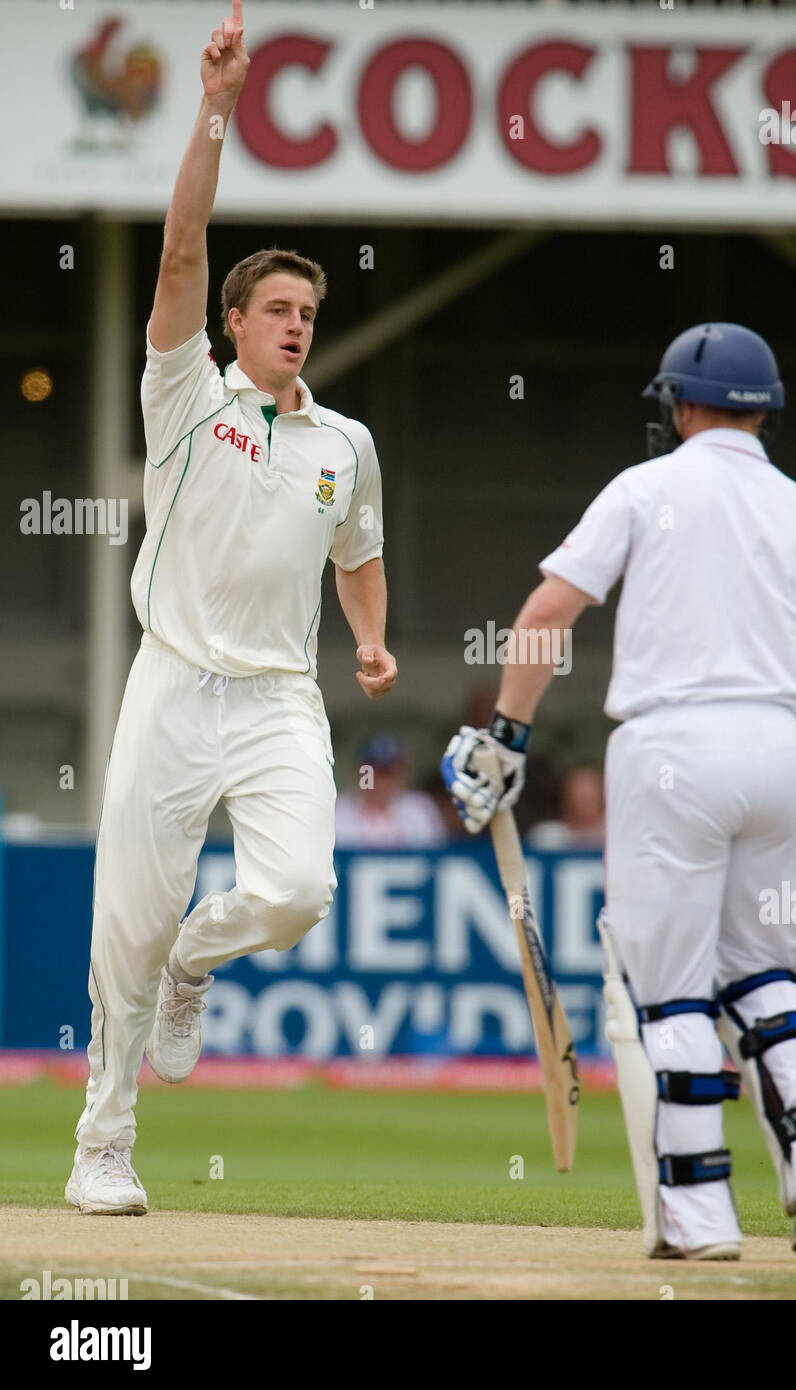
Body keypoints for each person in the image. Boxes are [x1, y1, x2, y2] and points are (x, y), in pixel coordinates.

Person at [442, 322, 796, 1260]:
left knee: (668, 994)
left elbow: (549, 611)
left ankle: (700, 1218)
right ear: (767, 411)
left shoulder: (646, 487)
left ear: (683, 404)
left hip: (669, 751)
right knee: (766, 974)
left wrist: (507, 735)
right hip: (780, 755)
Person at [67, 0, 397, 1216]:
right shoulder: (184, 396)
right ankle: (104, 1142)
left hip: (274, 697)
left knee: (301, 893)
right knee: (122, 931)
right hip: (170, 680)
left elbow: (356, 550)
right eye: (277, 309)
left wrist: (366, 636)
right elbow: (182, 243)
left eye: (309, 311)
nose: (298, 322)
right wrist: (217, 102)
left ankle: (202, 959)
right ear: (232, 325)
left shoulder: (344, 442)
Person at [334, 734, 447, 848]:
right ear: (357, 772)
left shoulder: (421, 809)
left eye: (386, 772)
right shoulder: (337, 811)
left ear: (402, 773)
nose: (378, 780)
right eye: (369, 771)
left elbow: (438, 856)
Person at [528, 764, 606, 849]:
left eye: (588, 800)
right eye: (577, 798)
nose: (582, 807)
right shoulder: (546, 836)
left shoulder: (613, 836)